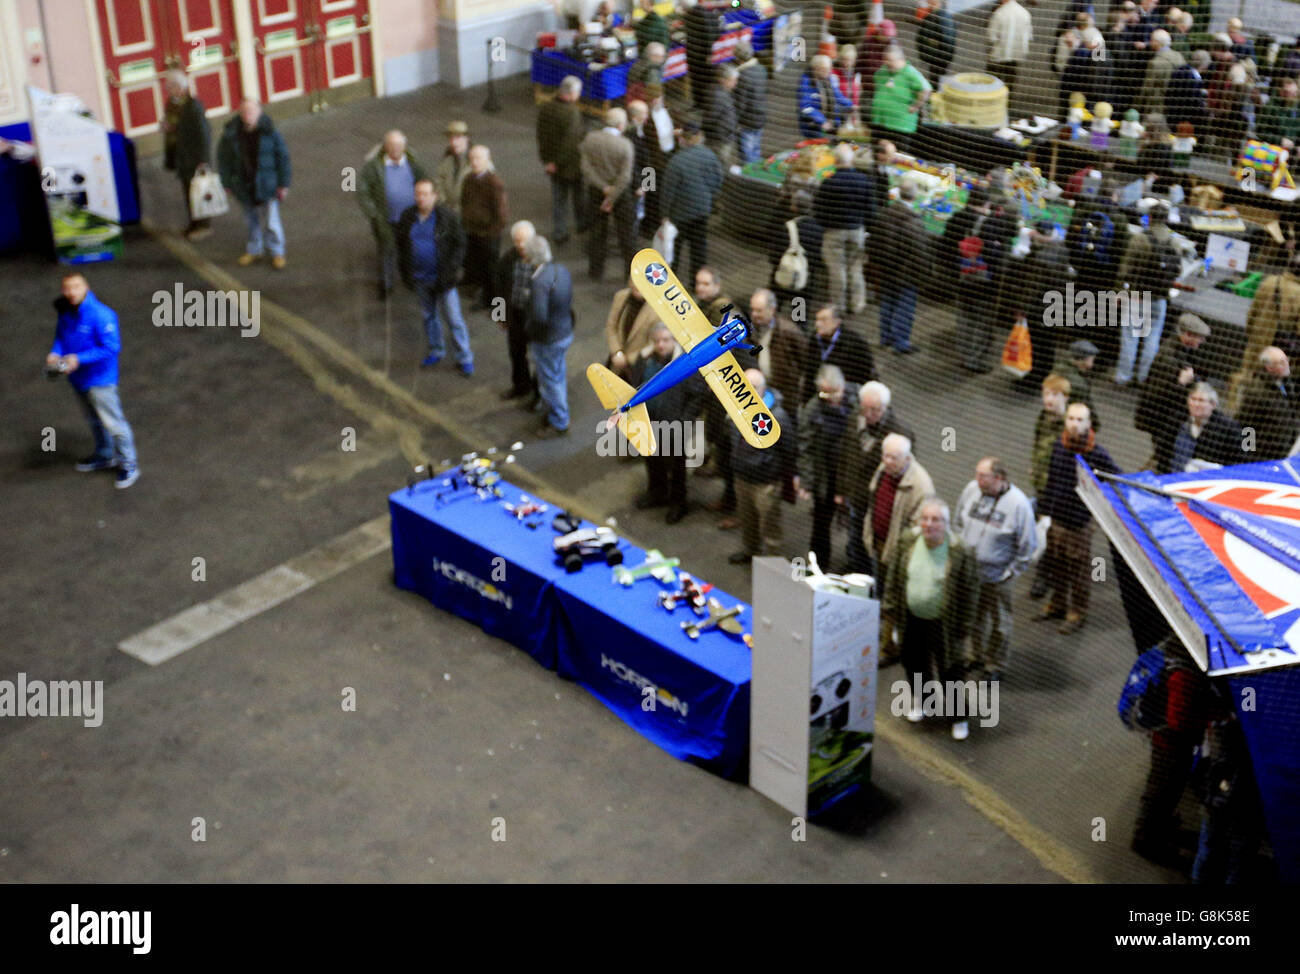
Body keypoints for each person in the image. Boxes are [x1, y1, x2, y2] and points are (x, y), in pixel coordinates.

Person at [884, 497, 981, 739]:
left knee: (950, 671)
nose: (929, 524)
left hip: (944, 624)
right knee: (914, 664)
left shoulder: (960, 551)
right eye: (925, 519)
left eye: (936, 519)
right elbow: (894, 576)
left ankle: (958, 717)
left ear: (946, 524)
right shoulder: (908, 541)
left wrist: (965, 627)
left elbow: (970, 592)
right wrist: (891, 612)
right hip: (911, 618)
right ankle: (925, 702)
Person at [46, 273, 139, 489]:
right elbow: (61, 336)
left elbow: (111, 347)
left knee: (114, 423)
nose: (71, 292)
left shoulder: (102, 315)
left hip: (100, 380)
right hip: (78, 378)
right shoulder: (66, 311)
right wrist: (55, 352)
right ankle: (105, 454)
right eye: (67, 288)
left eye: (76, 287)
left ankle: (129, 463)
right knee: (94, 420)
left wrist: (78, 359)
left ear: (86, 287)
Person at [952, 457, 1038, 681]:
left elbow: (1028, 545)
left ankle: (995, 664)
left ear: (999, 478)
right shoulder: (972, 489)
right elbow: (958, 520)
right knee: (973, 616)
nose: (977, 479)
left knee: (999, 623)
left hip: (998, 577)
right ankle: (976, 655)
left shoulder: (1019, 505)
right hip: (971, 573)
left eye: (983, 476)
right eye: (977, 474)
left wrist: (1011, 572)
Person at [1038, 402, 1120, 634]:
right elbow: (1052, 479)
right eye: (1071, 418)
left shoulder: (1096, 454)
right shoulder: (1058, 445)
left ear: (1088, 423)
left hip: (1079, 523)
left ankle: (1077, 612)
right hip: (1056, 519)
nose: (1074, 424)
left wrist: (1098, 507)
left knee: (1079, 571)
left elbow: (1117, 478)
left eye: (1080, 420)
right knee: (1057, 564)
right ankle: (1058, 604)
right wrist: (1044, 509)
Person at [1132, 636, 1210, 868]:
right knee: (1163, 790)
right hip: (1171, 744)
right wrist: (1209, 715)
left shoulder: (1172, 651)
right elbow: (1178, 721)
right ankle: (1146, 840)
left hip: (1166, 738)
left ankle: (1160, 825)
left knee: (1164, 788)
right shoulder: (1183, 675)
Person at [863, 436, 935, 659]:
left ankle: (891, 647)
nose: (887, 461)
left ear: (907, 458)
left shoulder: (921, 485)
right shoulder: (884, 470)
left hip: (900, 553)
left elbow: (918, 529)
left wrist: (899, 554)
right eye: (885, 456)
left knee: (894, 598)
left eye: (894, 458)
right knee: (884, 591)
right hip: (881, 544)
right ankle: (888, 633)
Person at [835, 381, 914, 576]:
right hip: (854, 495)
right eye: (865, 408)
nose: (868, 414)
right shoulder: (855, 419)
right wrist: (840, 489)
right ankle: (856, 568)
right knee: (855, 536)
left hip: (878, 502)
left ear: (885, 407)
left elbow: (907, 473)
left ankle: (871, 577)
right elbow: (845, 455)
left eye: (875, 410)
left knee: (874, 544)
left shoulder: (900, 434)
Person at [396, 179, 473, 375]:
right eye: (417, 194)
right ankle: (436, 350)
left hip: (443, 280)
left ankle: (464, 357)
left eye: (425, 194)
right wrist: (405, 272)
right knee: (428, 317)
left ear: (434, 196)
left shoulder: (447, 217)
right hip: (420, 279)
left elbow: (460, 244)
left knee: (454, 319)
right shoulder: (407, 217)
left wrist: (452, 269)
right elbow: (401, 246)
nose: (420, 198)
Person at [633, 322, 702, 524]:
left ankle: (678, 503)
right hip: (648, 422)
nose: (661, 345)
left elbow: (698, 396)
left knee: (676, 468)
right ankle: (657, 493)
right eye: (657, 341)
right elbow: (635, 385)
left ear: (674, 340)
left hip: (674, 426)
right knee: (652, 461)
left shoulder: (686, 364)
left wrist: (684, 421)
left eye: (665, 340)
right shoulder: (645, 360)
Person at [726, 369, 796, 564]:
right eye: (745, 386)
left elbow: (789, 448)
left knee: (770, 525)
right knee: (747, 520)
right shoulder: (736, 406)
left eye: (754, 387)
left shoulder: (777, 416)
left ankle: (773, 563)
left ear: (764, 389)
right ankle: (750, 550)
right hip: (741, 477)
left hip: (766, 482)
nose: (749, 391)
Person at [217, 97, 291, 269]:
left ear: (259, 112)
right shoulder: (230, 135)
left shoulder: (271, 132)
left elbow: (283, 159)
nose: (247, 115)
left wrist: (283, 184)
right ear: (239, 113)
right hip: (243, 186)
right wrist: (226, 183)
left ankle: (277, 252)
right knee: (251, 222)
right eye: (244, 112)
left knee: (272, 222)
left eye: (251, 111)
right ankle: (254, 250)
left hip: (268, 185)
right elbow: (224, 161)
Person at [943, 186, 1011, 373]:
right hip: (981, 283)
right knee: (980, 321)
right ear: (986, 204)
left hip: (961, 279)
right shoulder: (988, 224)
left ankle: (964, 355)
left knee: (964, 318)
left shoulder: (955, 218)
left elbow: (945, 248)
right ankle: (974, 359)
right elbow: (993, 255)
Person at [796, 365, 857, 569]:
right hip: (826, 477)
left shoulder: (858, 399)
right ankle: (818, 565)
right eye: (824, 393)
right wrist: (807, 481)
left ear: (843, 385)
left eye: (834, 392)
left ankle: (855, 562)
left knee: (856, 522)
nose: (830, 398)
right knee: (821, 524)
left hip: (852, 475)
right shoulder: (812, 410)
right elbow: (805, 448)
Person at [359, 130, 430, 299]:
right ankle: (386, 284)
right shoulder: (374, 167)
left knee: (409, 250)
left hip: (411, 219)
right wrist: (373, 214)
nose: (395, 149)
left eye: (399, 145)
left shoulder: (414, 164)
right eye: (391, 145)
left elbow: (426, 183)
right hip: (385, 219)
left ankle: (410, 279)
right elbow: (362, 191)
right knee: (386, 251)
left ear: (405, 146)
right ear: (385, 147)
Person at [1135, 313, 1212, 470]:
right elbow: (1157, 393)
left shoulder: (1181, 351)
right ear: (1188, 335)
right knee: (1164, 458)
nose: (1202, 341)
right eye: (1200, 337)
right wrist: (1181, 383)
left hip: (1167, 420)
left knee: (1162, 457)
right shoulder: (1169, 358)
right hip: (1161, 420)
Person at [1230, 253, 1300, 411]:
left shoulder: (1270, 281)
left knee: (1247, 380)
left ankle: (1236, 412)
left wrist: (1253, 338)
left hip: (1257, 346)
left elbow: (1251, 314)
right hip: (1280, 355)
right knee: (1272, 391)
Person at [814, 143, 875, 317]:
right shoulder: (864, 181)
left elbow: (818, 210)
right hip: (857, 232)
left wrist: (827, 225)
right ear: (852, 160)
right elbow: (871, 210)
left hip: (834, 232)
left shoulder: (828, 183)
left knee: (836, 270)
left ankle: (838, 305)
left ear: (835, 161)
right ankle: (857, 303)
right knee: (855, 268)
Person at [660, 120, 723, 282]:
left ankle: (670, 282)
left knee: (674, 249)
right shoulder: (710, 156)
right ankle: (697, 282)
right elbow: (719, 180)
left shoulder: (676, 162)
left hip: (679, 214)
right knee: (699, 248)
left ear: (682, 139)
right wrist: (709, 197)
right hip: (702, 210)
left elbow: (668, 191)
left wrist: (664, 214)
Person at [872, 179, 930, 354]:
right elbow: (920, 252)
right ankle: (901, 342)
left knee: (887, 304)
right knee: (904, 308)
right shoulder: (913, 222)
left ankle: (885, 338)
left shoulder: (884, 215)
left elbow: (876, 243)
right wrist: (924, 273)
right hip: (907, 273)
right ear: (915, 195)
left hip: (887, 269)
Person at [524, 236, 574, 437]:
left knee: (550, 380)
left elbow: (539, 316)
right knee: (558, 374)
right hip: (564, 331)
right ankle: (556, 411)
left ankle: (559, 420)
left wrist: (527, 327)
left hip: (547, 339)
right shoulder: (561, 270)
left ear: (530, 258)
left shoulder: (539, 282)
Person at [579, 107, 636, 282]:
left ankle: (595, 271)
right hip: (621, 194)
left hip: (596, 192)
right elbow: (625, 177)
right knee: (627, 235)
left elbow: (585, 168)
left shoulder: (590, 139)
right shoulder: (625, 145)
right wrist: (612, 197)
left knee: (596, 233)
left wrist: (603, 188)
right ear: (620, 125)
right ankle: (631, 274)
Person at [1028, 373, 1071, 600]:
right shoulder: (1043, 417)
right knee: (1043, 530)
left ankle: (1044, 576)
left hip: (1059, 492)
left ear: (1065, 397)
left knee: (1052, 533)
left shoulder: (1069, 427)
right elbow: (1037, 443)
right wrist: (1034, 467)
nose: (1048, 399)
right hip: (1042, 486)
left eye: (1054, 395)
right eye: (1046, 393)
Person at [161, 69, 212, 241]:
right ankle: (193, 223)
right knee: (188, 193)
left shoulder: (193, 106)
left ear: (180, 87)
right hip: (181, 156)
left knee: (200, 193)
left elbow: (204, 135)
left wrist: (203, 160)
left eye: (170, 87)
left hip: (194, 157)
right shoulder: (171, 104)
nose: (168, 91)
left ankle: (203, 226)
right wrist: (167, 127)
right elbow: (173, 124)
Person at [537, 76, 587, 245]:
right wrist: (557, 162)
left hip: (552, 163)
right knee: (579, 196)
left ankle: (560, 232)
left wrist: (548, 162)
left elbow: (541, 136)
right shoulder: (572, 113)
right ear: (571, 93)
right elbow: (570, 143)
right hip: (571, 165)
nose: (579, 96)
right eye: (578, 92)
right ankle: (582, 224)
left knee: (559, 200)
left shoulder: (545, 107)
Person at [739, 289, 807, 408]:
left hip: (786, 394)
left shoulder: (789, 331)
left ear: (772, 309)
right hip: (761, 392)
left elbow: (806, 361)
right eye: (752, 310)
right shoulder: (750, 331)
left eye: (759, 311)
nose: (754, 314)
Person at [459, 145, 508, 310]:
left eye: (478, 158)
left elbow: (501, 212)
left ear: (487, 160)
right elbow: (464, 202)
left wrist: (492, 233)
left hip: (488, 235)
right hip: (473, 232)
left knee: (492, 271)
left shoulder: (494, 183)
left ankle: (497, 307)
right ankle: (484, 298)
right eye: (472, 158)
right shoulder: (469, 180)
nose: (475, 162)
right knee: (480, 267)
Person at [495, 220, 538, 401]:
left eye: (525, 241)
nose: (521, 245)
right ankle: (521, 386)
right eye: (517, 241)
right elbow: (498, 288)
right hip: (516, 315)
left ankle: (539, 394)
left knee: (539, 357)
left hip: (535, 318)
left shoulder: (542, 260)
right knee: (516, 352)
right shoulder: (508, 259)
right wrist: (500, 315)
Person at [1164, 383, 1245, 472]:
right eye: (1193, 399)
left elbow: (1239, 460)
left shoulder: (1229, 427)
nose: (1196, 404)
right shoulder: (1178, 421)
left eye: (1201, 400)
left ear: (1213, 404)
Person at [1238, 347, 1300, 461]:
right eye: (1281, 362)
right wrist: (1248, 455)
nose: (1287, 364)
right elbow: (1246, 426)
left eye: (1286, 360)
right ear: (1269, 367)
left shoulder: (1287, 384)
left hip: (1287, 451)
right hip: (1265, 455)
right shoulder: (1256, 392)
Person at [805, 304, 876, 398]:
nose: (817, 324)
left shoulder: (854, 342)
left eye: (824, 320)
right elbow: (810, 372)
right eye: (817, 320)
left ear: (837, 322)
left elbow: (867, 373)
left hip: (846, 395)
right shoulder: (814, 339)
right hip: (821, 393)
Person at [870, 45, 931, 154]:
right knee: (878, 154)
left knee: (898, 157)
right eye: (885, 60)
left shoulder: (910, 72)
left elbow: (926, 89)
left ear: (901, 59)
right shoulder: (883, 71)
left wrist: (915, 106)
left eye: (890, 60)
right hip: (880, 122)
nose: (887, 63)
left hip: (900, 125)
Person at [604, 272, 660, 381]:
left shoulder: (657, 310)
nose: (637, 285)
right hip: (616, 359)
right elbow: (611, 326)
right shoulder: (621, 296)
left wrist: (628, 359)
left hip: (637, 367)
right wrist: (617, 352)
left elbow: (653, 343)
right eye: (634, 280)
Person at [626, 100, 666, 237]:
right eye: (644, 114)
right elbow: (632, 163)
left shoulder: (641, 128)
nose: (647, 116)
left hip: (649, 170)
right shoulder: (630, 134)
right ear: (634, 117)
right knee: (644, 202)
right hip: (642, 173)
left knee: (652, 198)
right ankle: (645, 229)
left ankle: (650, 225)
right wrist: (639, 184)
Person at [987, 0, 1034, 108]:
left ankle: (991, 107)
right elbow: (1029, 36)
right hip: (1015, 56)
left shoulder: (999, 13)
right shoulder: (1025, 13)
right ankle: (1006, 107)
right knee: (1009, 83)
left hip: (998, 56)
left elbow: (991, 37)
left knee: (993, 83)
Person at [798, 55, 855, 140]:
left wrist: (851, 105)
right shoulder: (807, 82)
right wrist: (821, 121)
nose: (828, 72)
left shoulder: (830, 78)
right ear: (815, 69)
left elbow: (838, 96)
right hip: (813, 125)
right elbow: (805, 107)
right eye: (824, 69)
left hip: (831, 122)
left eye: (829, 69)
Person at [733, 42, 768, 165]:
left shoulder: (742, 76)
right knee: (756, 148)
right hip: (760, 115)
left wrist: (734, 122)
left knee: (747, 154)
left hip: (747, 120)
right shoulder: (761, 69)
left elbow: (740, 103)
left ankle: (750, 174)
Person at [1054, 339, 1101, 429]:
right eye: (1092, 359)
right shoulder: (1079, 384)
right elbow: (1086, 406)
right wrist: (1095, 425)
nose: (1093, 362)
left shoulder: (1060, 368)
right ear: (1085, 360)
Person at [1139, 29, 1186, 117]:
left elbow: (1147, 88)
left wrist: (1136, 107)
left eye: (1151, 40)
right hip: (1175, 105)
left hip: (1157, 106)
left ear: (1157, 43)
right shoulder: (1179, 56)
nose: (1150, 42)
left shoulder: (1154, 63)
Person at [702, 66, 740, 169]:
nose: (736, 83)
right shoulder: (717, 96)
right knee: (719, 164)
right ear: (723, 80)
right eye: (733, 80)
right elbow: (710, 118)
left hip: (724, 136)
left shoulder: (723, 91)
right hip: (720, 139)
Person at [433, 121, 471, 217]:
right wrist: (444, 204)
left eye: (458, 138)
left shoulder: (477, 160)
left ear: (466, 138)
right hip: (449, 214)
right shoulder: (447, 161)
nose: (454, 142)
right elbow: (438, 182)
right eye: (451, 138)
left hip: (470, 215)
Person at [915, 0, 957, 87]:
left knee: (936, 79)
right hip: (935, 56)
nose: (927, 2)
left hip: (938, 57)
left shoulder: (942, 18)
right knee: (935, 77)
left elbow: (947, 40)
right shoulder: (933, 15)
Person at [1257, 77, 1300, 150]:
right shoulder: (1270, 107)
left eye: (1295, 92)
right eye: (1290, 93)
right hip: (1273, 149)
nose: (1294, 95)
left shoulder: (1297, 106)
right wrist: (1280, 140)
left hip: (1292, 150)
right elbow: (1260, 131)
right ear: (1281, 92)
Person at [627, 41, 668, 106]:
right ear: (653, 56)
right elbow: (654, 96)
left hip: (635, 97)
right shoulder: (653, 71)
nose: (663, 59)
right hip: (642, 100)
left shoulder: (641, 63)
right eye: (661, 57)